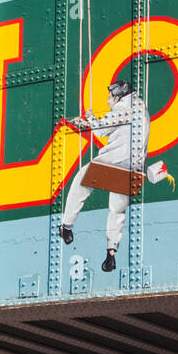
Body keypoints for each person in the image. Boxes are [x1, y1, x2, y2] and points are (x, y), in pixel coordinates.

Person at [59, 78, 149, 272]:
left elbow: (102, 131)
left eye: (109, 98)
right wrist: (85, 124)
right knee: (117, 210)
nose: (108, 103)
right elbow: (119, 128)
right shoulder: (140, 108)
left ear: (118, 96)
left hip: (114, 162)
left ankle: (66, 225)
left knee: (81, 182)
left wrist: (90, 116)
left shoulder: (125, 107)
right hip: (133, 168)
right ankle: (111, 254)